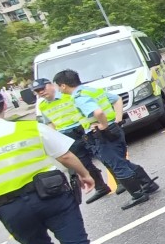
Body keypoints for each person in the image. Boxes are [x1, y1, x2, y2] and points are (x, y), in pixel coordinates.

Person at [0, 88, 119, 244]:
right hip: (51, 196)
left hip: (9, 207)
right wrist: (85, 174)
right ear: (4, 105)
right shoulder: (29, 128)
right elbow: (65, 155)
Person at [53, 69, 159, 210]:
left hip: (103, 134)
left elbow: (98, 112)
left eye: (57, 86)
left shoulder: (79, 97)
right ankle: (148, 184)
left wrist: (103, 125)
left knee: (117, 165)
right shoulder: (91, 90)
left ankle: (138, 194)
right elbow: (117, 99)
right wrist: (117, 120)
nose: (58, 90)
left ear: (63, 85)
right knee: (121, 161)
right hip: (113, 130)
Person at [31, 78, 111, 204]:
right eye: (37, 91)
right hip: (67, 136)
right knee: (84, 163)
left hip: (83, 129)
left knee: (104, 155)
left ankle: (121, 181)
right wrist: (56, 139)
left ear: (51, 85)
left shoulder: (68, 95)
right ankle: (101, 187)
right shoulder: (42, 105)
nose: (41, 92)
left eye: (42, 88)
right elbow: (50, 123)